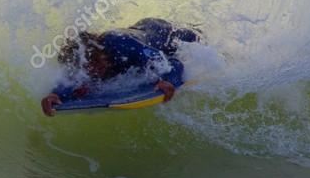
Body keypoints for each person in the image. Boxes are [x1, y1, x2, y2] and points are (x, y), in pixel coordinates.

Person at [40, 18, 200, 116]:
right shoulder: (88, 62)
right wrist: (56, 94)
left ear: (100, 54)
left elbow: (172, 63)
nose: (90, 73)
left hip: (165, 34)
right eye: (85, 68)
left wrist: (168, 80)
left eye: (93, 65)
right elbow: (72, 79)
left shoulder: (122, 45)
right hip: (139, 29)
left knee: (199, 38)